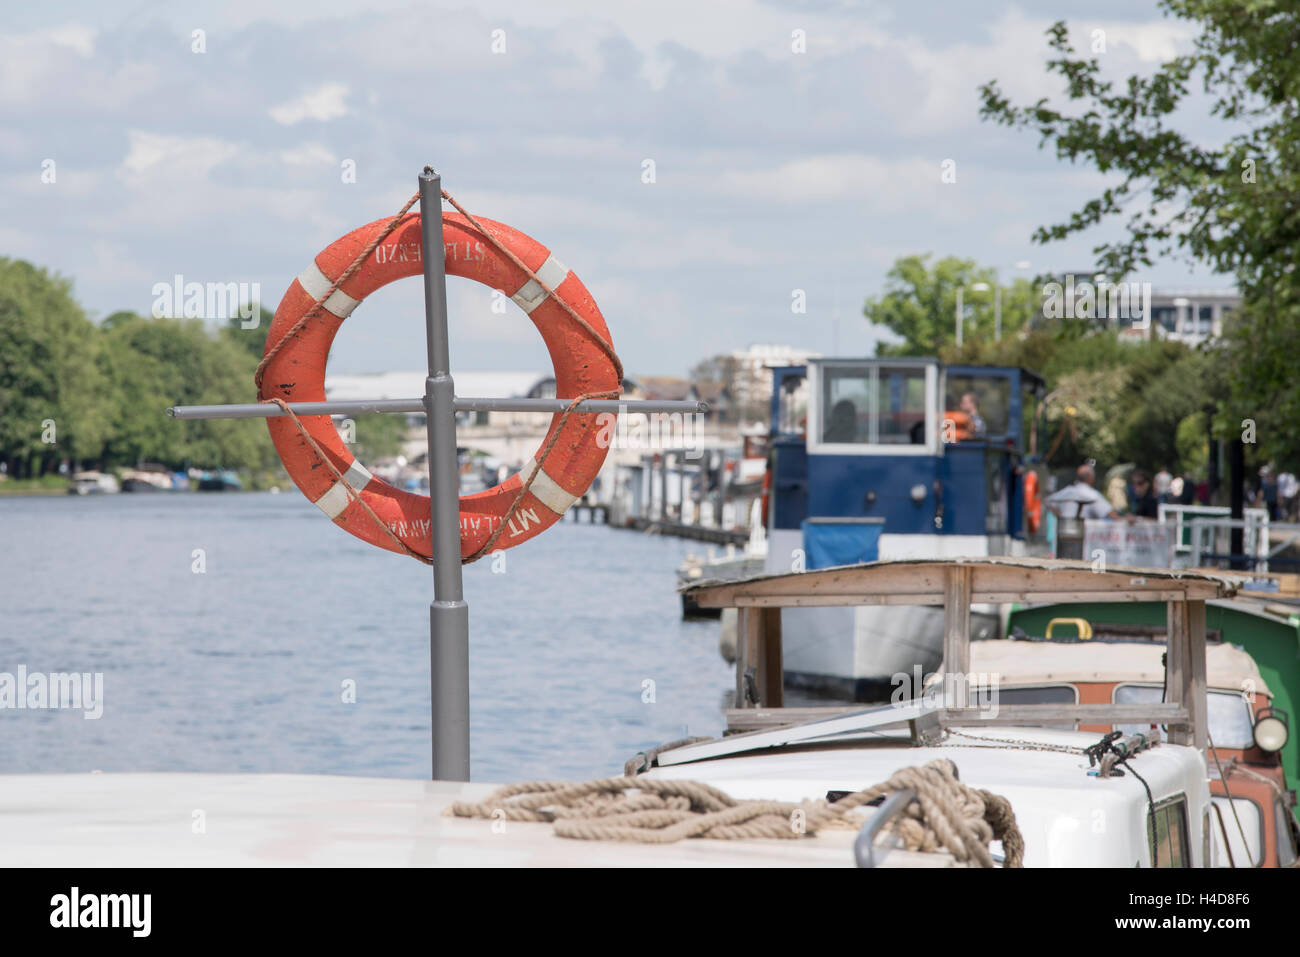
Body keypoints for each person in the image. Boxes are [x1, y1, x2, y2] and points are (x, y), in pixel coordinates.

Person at [1045, 463, 1121, 520]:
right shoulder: (1092, 494)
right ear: (1091, 478)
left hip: (1063, 535)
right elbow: (1112, 515)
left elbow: (1047, 502)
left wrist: (1060, 517)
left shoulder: (1067, 491)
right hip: (1083, 537)